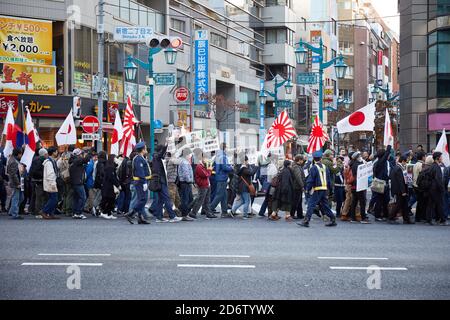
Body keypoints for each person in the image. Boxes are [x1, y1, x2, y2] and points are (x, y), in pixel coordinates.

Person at [298, 150, 337, 228]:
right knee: (325, 205)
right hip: (324, 189)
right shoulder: (325, 167)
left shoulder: (314, 168)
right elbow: (329, 179)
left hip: (317, 189)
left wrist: (307, 189)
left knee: (311, 205)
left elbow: (311, 180)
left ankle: (306, 221)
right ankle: (333, 219)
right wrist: (330, 190)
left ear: (313, 158)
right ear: (321, 158)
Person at [148, 142, 182, 224]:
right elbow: (161, 153)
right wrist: (166, 144)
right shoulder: (157, 157)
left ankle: (159, 217)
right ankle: (172, 216)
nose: (165, 153)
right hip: (161, 181)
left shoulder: (156, 158)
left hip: (161, 181)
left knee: (161, 200)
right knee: (167, 198)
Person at [126, 142, 152, 224]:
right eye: (145, 148)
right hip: (141, 181)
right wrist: (144, 182)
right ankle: (131, 213)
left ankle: (140, 218)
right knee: (143, 199)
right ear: (142, 150)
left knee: (142, 199)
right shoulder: (138, 159)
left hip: (141, 181)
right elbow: (140, 172)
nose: (146, 149)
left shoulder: (141, 157)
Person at [210, 143, 234, 218]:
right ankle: (210, 209)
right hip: (222, 177)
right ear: (224, 148)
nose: (228, 149)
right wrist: (231, 167)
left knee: (224, 195)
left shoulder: (218, 155)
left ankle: (224, 212)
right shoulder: (223, 156)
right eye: (227, 147)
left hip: (219, 177)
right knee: (219, 195)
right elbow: (224, 167)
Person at [389, 155, 414, 224]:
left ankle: (406, 219)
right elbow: (400, 181)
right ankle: (391, 217)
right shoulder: (399, 169)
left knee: (404, 204)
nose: (406, 163)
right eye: (406, 162)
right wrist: (403, 191)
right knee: (398, 204)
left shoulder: (398, 167)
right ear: (403, 161)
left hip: (399, 189)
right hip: (400, 190)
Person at [191, 154, 217, 219]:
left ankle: (208, 213)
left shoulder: (203, 165)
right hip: (203, 185)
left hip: (207, 184)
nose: (207, 160)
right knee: (200, 200)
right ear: (202, 158)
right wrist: (210, 170)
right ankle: (193, 212)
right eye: (205, 158)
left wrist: (209, 169)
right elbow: (205, 175)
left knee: (207, 200)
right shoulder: (199, 166)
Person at [349, 152, 370, 224]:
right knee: (362, 202)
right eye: (360, 156)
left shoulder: (353, 164)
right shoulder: (358, 165)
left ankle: (353, 218)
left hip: (354, 186)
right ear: (357, 157)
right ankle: (363, 218)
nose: (361, 157)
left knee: (354, 202)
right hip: (359, 186)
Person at [426, 152, 447, 225]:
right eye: (441, 157)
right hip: (436, 189)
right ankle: (443, 220)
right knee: (440, 204)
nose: (442, 158)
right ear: (437, 158)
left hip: (431, 188)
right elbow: (438, 179)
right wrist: (442, 189)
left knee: (431, 204)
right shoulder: (437, 167)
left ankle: (429, 220)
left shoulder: (432, 166)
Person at [372, 145, 392, 222]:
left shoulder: (377, 162)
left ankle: (383, 214)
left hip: (379, 182)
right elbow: (386, 154)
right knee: (381, 200)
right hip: (381, 183)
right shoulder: (380, 162)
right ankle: (378, 215)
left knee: (383, 200)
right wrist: (389, 147)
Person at [69, 148, 89, 219]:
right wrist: (88, 153)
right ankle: (78, 213)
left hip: (74, 182)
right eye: (81, 154)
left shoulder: (73, 160)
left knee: (76, 198)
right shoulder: (77, 160)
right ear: (78, 154)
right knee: (83, 197)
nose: (82, 155)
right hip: (78, 182)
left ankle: (75, 212)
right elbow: (85, 160)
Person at [41, 147, 60, 220]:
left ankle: (51, 213)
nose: (57, 153)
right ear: (53, 152)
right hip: (51, 183)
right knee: (54, 199)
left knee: (52, 198)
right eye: (56, 151)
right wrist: (52, 183)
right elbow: (50, 174)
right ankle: (44, 211)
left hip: (51, 182)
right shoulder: (49, 162)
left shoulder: (51, 161)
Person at [99, 154, 120, 219]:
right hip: (108, 186)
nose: (116, 159)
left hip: (109, 186)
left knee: (111, 200)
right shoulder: (109, 167)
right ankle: (104, 212)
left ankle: (109, 213)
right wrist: (118, 185)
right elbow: (112, 177)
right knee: (109, 200)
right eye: (115, 158)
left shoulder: (111, 166)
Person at [7, 148, 24, 220]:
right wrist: (18, 183)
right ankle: (14, 214)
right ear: (18, 154)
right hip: (16, 183)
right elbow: (14, 174)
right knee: (16, 198)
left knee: (20, 198)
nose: (21, 155)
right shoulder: (13, 161)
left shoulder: (14, 160)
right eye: (21, 154)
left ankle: (12, 211)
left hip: (17, 182)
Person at [29, 148, 48, 216]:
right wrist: (44, 175)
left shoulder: (36, 159)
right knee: (39, 196)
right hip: (38, 180)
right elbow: (36, 171)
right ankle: (38, 212)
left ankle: (33, 210)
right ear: (44, 154)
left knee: (36, 196)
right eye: (46, 154)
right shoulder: (40, 160)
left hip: (35, 180)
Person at [178, 148, 195, 221]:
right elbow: (186, 174)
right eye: (189, 154)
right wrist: (190, 180)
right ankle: (184, 214)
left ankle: (185, 213)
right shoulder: (184, 162)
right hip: (185, 183)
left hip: (186, 182)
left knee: (189, 199)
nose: (190, 156)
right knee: (185, 199)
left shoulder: (184, 161)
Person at [57, 145, 74, 217]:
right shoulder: (72, 156)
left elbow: (58, 166)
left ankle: (63, 208)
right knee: (70, 193)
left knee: (65, 193)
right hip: (69, 176)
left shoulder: (62, 157)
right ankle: (68, 210)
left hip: (63, 176)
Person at [289, 155, 306, 220]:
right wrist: (302, 186)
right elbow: (298, 177)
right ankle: (292, 214)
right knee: (296, 201)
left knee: (299, 201)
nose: (302, 161)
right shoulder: (296, 167)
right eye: (302, 160)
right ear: (299, 160)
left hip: (297, 186)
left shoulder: (297, 166)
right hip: (296, 186)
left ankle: (300, 214)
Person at [412, 151, 426, 222]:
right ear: (423, 157)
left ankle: (418, 217)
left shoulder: (415, 164)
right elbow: (423, 175)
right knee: (421, 202)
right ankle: (419, 217)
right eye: (425, 156)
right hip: (419, 185)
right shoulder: (421, 165)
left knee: (419, 201)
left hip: (415, 184)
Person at [91, 151, 106, 215]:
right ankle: (95, 207)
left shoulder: (96, 162)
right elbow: (101, 173)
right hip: (101, 181)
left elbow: (94, 173)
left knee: (97, 195)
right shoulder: (102, 163)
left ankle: (95, 208)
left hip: (97, 181)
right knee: (99, 196)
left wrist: (94, 180)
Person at [84, 150, 97, 215]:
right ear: (93, 157)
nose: (96, 158)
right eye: (95, 157)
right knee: (92, 196)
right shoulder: (91, 164)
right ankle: (91, 208)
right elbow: (88, 173)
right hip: (90, 182)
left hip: (90, 182)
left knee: (90, 196)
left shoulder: (91, 163)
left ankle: (86, 207)